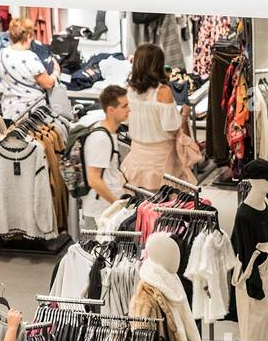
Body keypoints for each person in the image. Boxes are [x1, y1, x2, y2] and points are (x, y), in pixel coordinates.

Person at [120, 43, 194, 189]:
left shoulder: (129, 91)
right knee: (164, 202)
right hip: (161, 159)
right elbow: (171, 127)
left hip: (136, 156)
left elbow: (126, 121)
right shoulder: (163, 91)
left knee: (140, 204)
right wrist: (183, 116)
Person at [0, 16, 61, 123]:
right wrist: (56, 71)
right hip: (30, 113)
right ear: (28, 35)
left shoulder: (2, 54)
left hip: (8, 111)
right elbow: (48, 84)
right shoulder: (30, 57)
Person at [82, 84, 129, 220]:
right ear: (111, 110)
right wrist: (117, 204)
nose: (129, 109)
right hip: (100, 213)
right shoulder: (101, 139)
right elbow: (94, 180)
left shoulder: (109, 133)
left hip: (106, 210)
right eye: (124, 106)